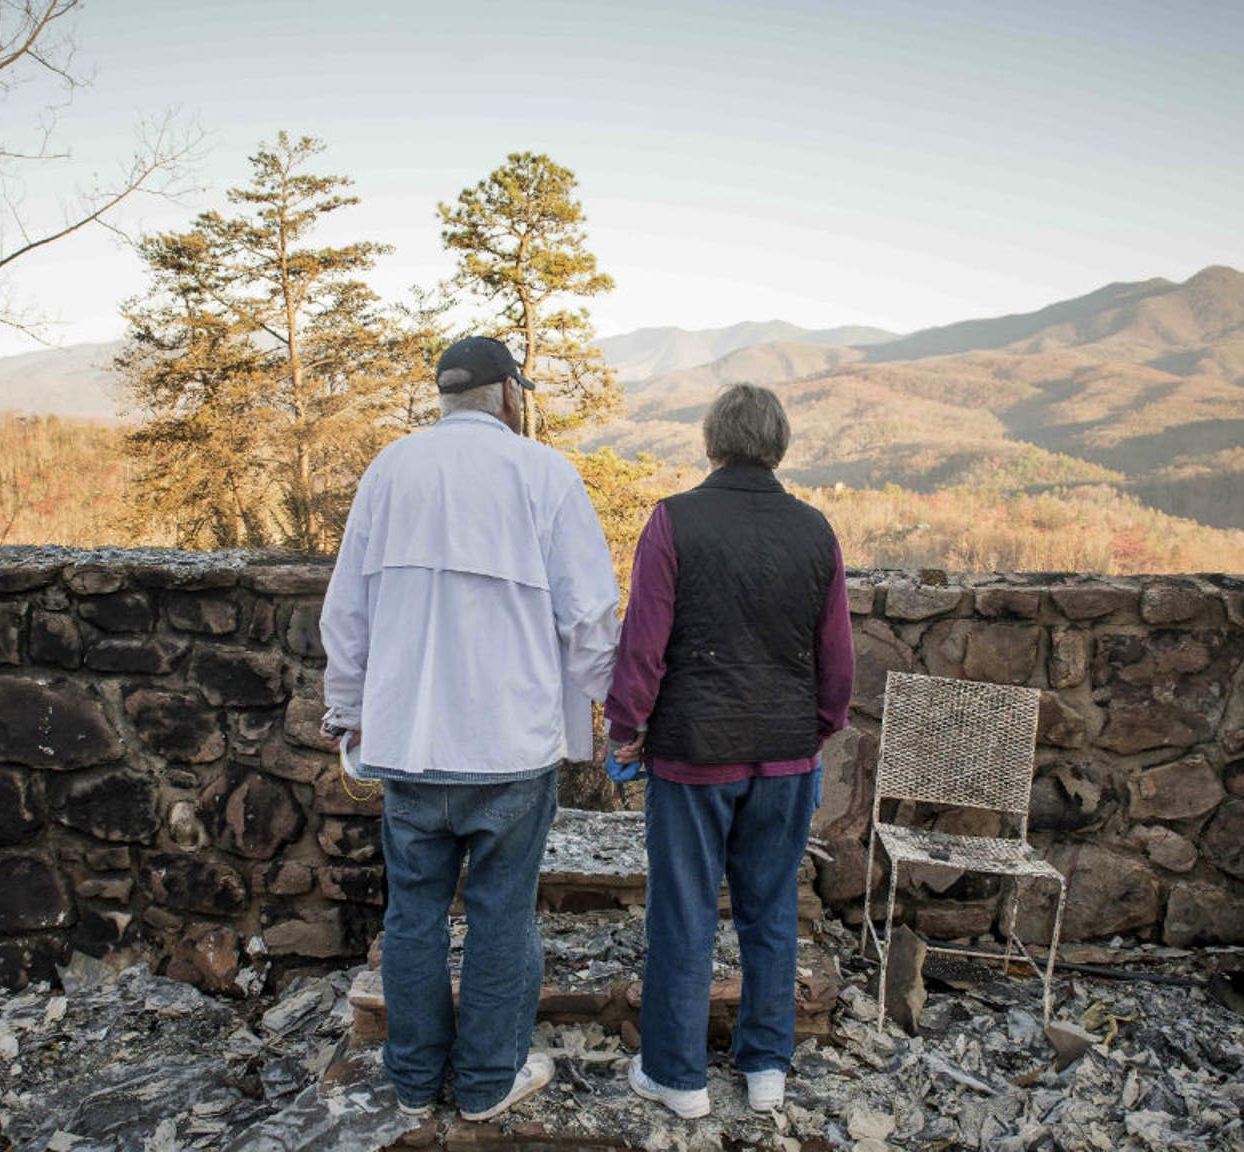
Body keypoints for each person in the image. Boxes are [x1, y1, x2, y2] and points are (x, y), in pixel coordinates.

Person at [320, 335, 621, 1122]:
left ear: (447, 397)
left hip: (410, 745)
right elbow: (590, 617)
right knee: (501, 915)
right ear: (511, 396)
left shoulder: (390, 470)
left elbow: (346, 613)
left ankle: (415, 1082)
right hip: (508, 747)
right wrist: (620, 708)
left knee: (413, 915)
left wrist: (345, 710)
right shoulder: (544, 474)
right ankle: (487, 1082)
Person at [605, 383, 854, 1119]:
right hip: (784, 754)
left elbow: (644, 644)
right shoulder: (817, 532)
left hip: (692, 754)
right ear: (778, 444)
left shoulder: (674, 521)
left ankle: (678, 1077)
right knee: (770, 911)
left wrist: (626, 727)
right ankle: (766, 1067)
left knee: (683, 911)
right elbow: (836, 661)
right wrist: (816, 730)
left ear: (713, 440)